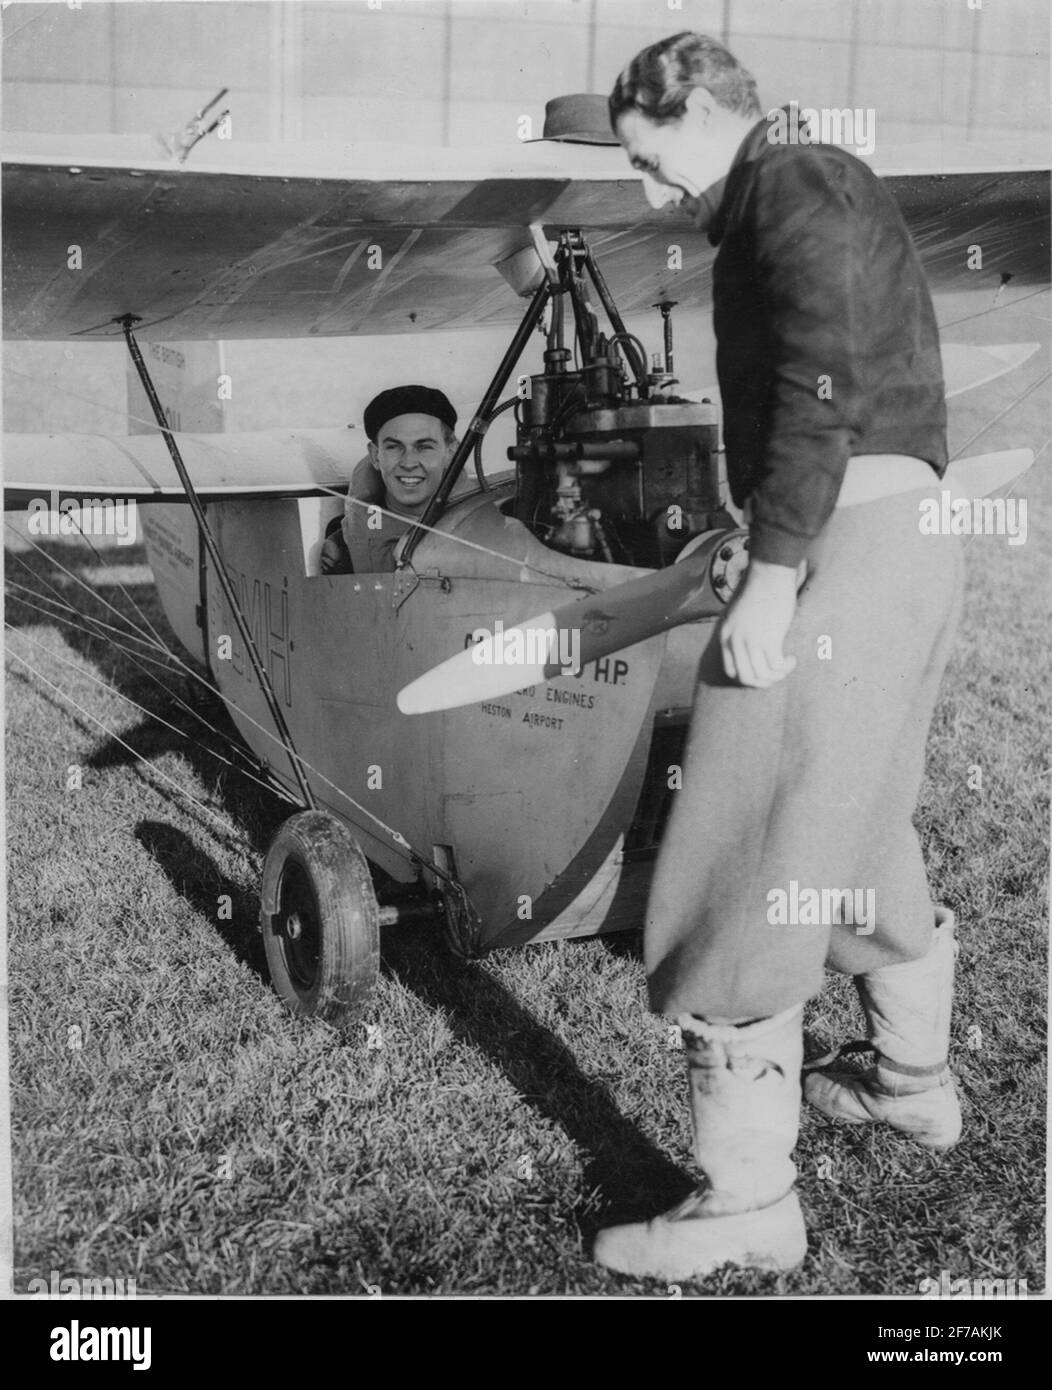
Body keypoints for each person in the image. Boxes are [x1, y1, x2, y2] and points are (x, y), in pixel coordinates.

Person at [595, 32, 964, 1280]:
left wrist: (773, 568)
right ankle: (909, 1079)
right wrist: (769, 535)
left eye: (652, 160)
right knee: (854, 817)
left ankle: (744, 1201)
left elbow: (814, 382)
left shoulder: (789, 179)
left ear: (700, 107)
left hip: (841, 546)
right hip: (900, 535)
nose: (655, 196)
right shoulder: (825, 175)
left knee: (745, 836)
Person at [320, 385, 459, 573]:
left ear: (451, 452)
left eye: (424, 447)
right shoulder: (342, 549)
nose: (408, 463)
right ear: (375, 456)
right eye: (394, 447)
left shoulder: (489, 530)